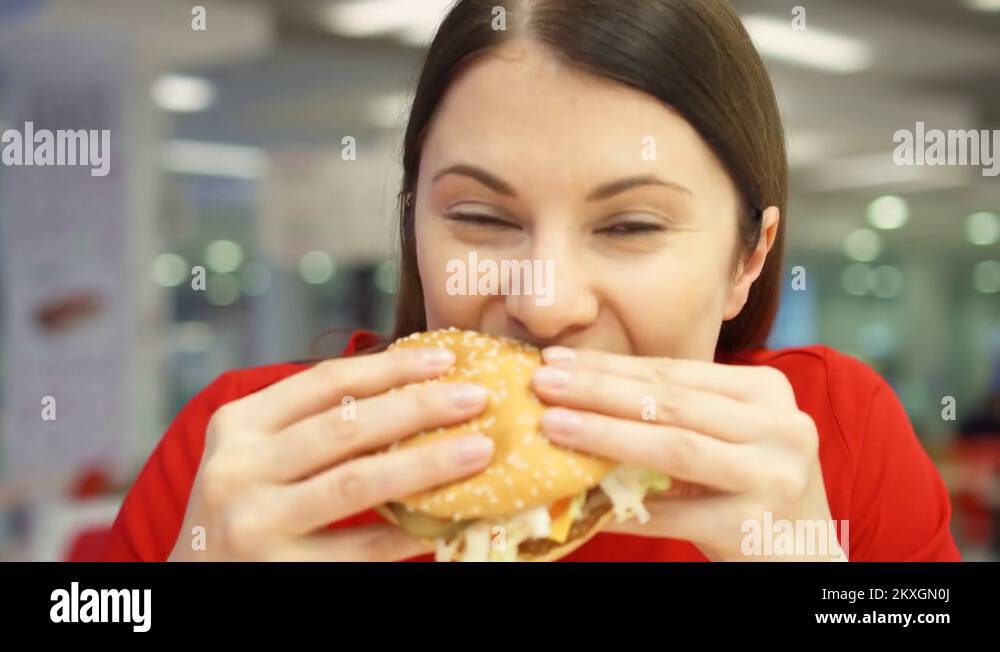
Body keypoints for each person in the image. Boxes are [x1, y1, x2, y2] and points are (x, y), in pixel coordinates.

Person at [102, 0, 960, 562]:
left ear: (748, 261)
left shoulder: (835, 441)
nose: (545, 303)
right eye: (479, 217)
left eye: (630, 226)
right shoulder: (248, 452)